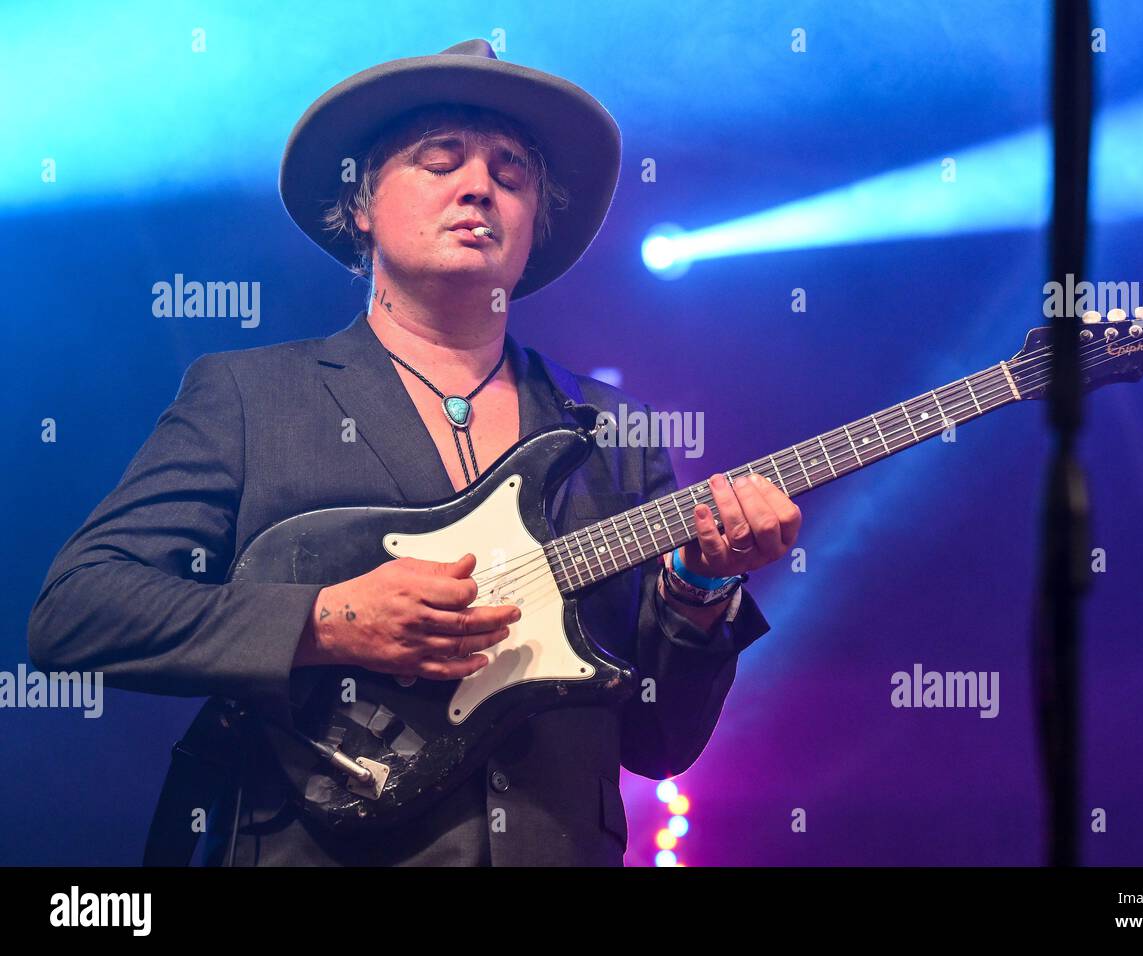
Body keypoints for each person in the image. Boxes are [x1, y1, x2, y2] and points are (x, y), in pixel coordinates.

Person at [28, 39, 801, 866]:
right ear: (360, 205)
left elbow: (658, 742)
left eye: (512, 174)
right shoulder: (251, 397)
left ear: (536, 224)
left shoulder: (613, 432)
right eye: (441, 162)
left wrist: (701, 588)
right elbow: (78, 612)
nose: (479, 186)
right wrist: (326, 621)